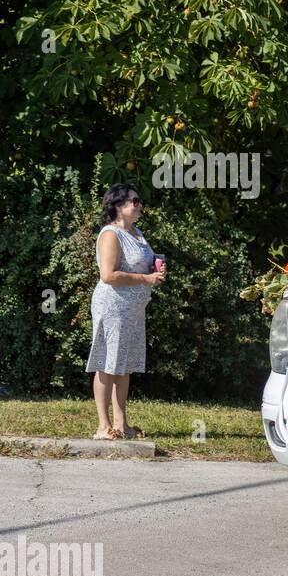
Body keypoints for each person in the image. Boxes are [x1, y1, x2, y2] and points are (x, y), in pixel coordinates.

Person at [86, 184, 166, 440]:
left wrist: (155, 272)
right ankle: (102, 426)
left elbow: (142, 266)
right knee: (106, 363)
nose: (139, 205)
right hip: (113, 306)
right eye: (134, 201)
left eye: (138, 200)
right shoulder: (111, 234)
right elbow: (108, 275)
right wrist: (145, 280)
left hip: (133, 310)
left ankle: (121, 425)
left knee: (124, 366)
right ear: (118, 206)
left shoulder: (137, 233)